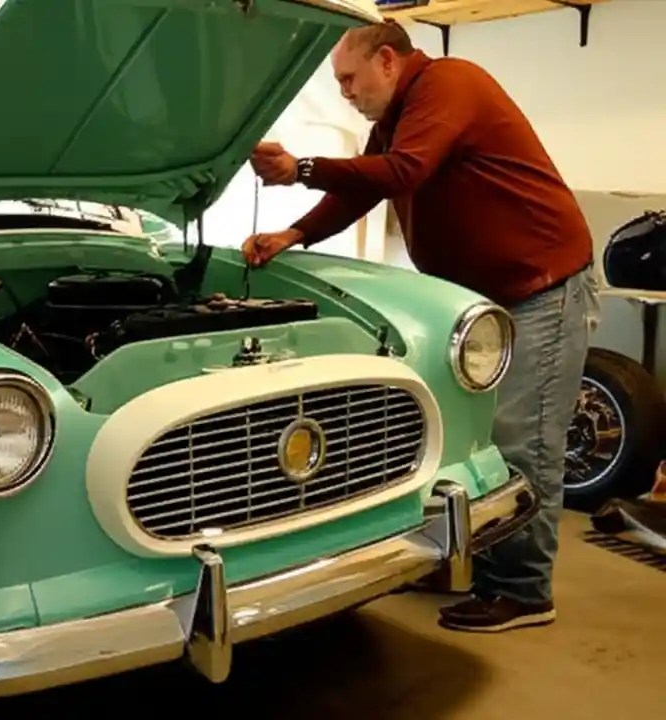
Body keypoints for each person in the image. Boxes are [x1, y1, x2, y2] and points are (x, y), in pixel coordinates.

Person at [242, 20, 597, 633]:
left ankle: (522, 591)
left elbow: (403, 172)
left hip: (542, 287)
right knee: (464, 441)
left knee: (526, 444)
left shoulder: (449, 84)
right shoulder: (400, 115)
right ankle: (472, 563)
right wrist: (292, 234)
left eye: (348, 79)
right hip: (477, 303)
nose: (346, 92)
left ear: (386, 60)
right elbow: (365, 187)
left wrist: (300, 167)